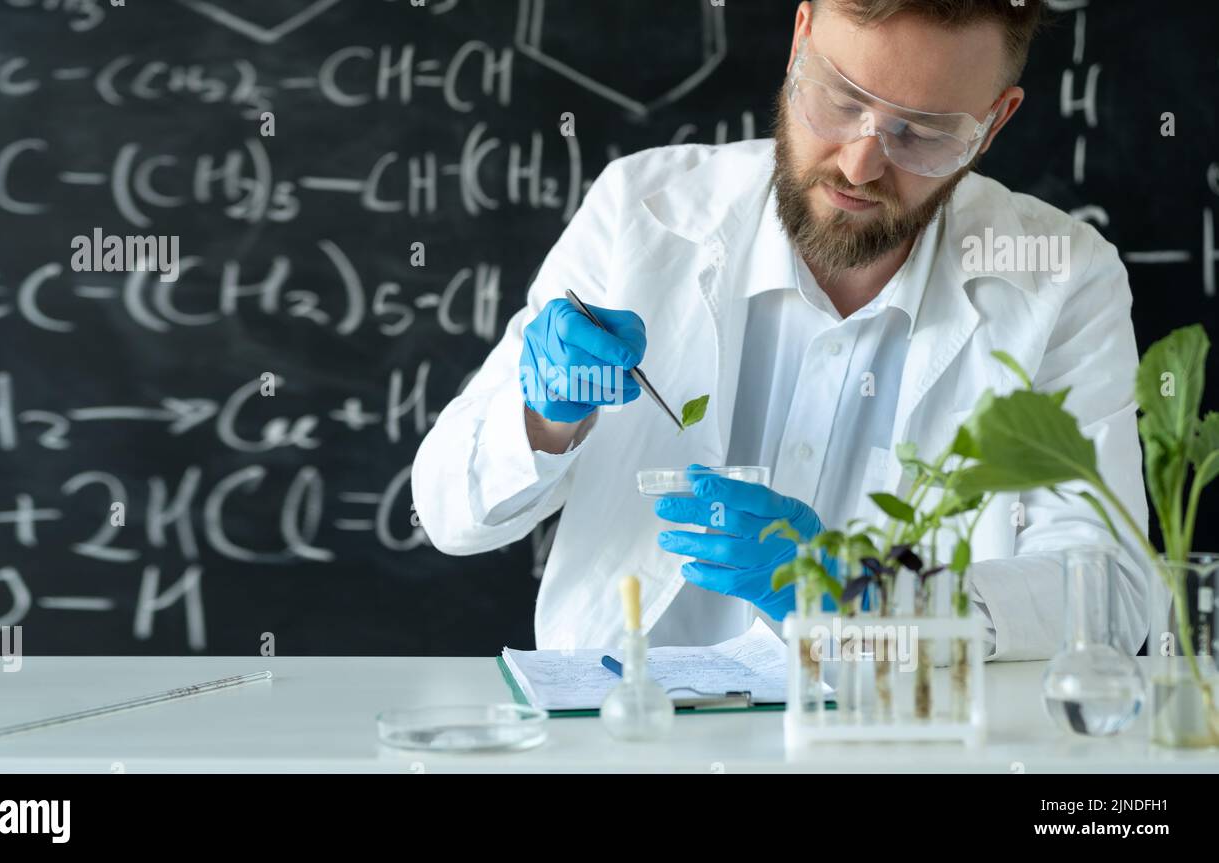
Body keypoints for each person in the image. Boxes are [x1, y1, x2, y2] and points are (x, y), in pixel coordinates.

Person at [411, 0, 1151, 661]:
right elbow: (448, 514)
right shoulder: (644, 208)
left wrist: (878, 603)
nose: (861, 164)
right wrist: (543, 415)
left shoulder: (1059, 277)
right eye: (840, 99)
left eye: (921, 134)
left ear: (994, 122)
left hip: (900, 740)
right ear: (800, 40)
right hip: (626, 732)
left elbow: (1109, 592)